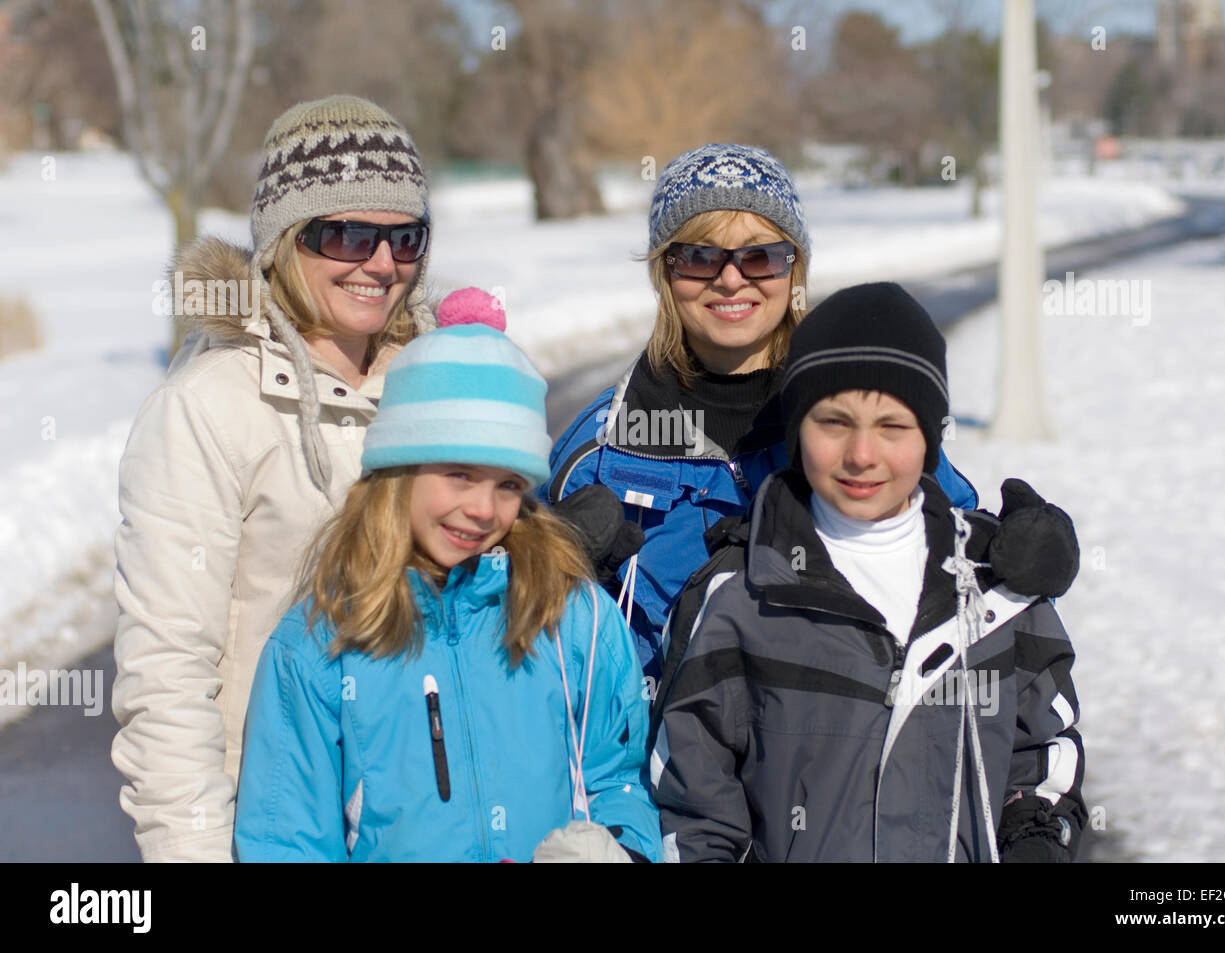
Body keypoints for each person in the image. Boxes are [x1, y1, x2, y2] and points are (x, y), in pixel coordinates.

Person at [542, 144, 1078, 690]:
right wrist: (550, 577)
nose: (730, 281)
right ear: (664, 271)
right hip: (658, 768)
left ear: (794, 267)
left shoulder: (853, 421)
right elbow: (515, 635)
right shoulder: (599, 451)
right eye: (700, 256)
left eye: (761, 256)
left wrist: (1017, 556)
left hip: (828, 763)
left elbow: (952, 558)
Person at [651, 282, 1086, 862]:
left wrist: (1035, 841)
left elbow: (1043, 760)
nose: (861, 454)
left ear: (930, 439)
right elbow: (693, 807)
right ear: (795, 430)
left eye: (893, 426)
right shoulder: (742, 597)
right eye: (833, 422)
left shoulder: (995, 591)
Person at [111, 95, 437, 862]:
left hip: (421, 817)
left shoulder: (436, 384)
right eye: (349, 234)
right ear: (288, 240)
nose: (382, 263)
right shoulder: (209, 404)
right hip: (273, 826)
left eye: (405, 237)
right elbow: (165, 670)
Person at [233, 294, 660, 862]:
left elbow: (616, 778)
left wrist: (621, 852)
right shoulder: (320, 642)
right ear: (397, 472)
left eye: (508, 484)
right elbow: (286, 843)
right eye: (459, 474)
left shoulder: (572, 616)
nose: (483, 509)